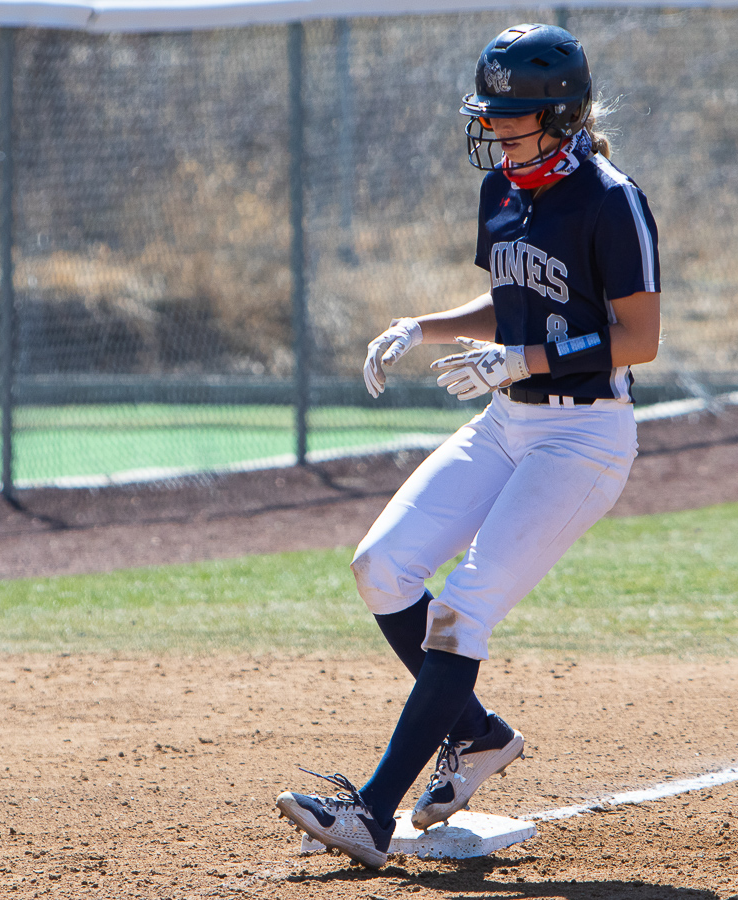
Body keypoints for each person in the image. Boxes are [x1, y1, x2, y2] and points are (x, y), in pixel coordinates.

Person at [275, 21, 660, 869]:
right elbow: (511, 302)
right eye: (486, 113)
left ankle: (372, 814)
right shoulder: (504, 192)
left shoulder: (610, 197)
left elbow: (640, 337)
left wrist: (523, 356)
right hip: (509, 422)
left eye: (508, 115)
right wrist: (423, 326)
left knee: (461, 614)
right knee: (381, 566)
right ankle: (479, 734)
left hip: (584, 437)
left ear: (559, 115)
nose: (489, 128)